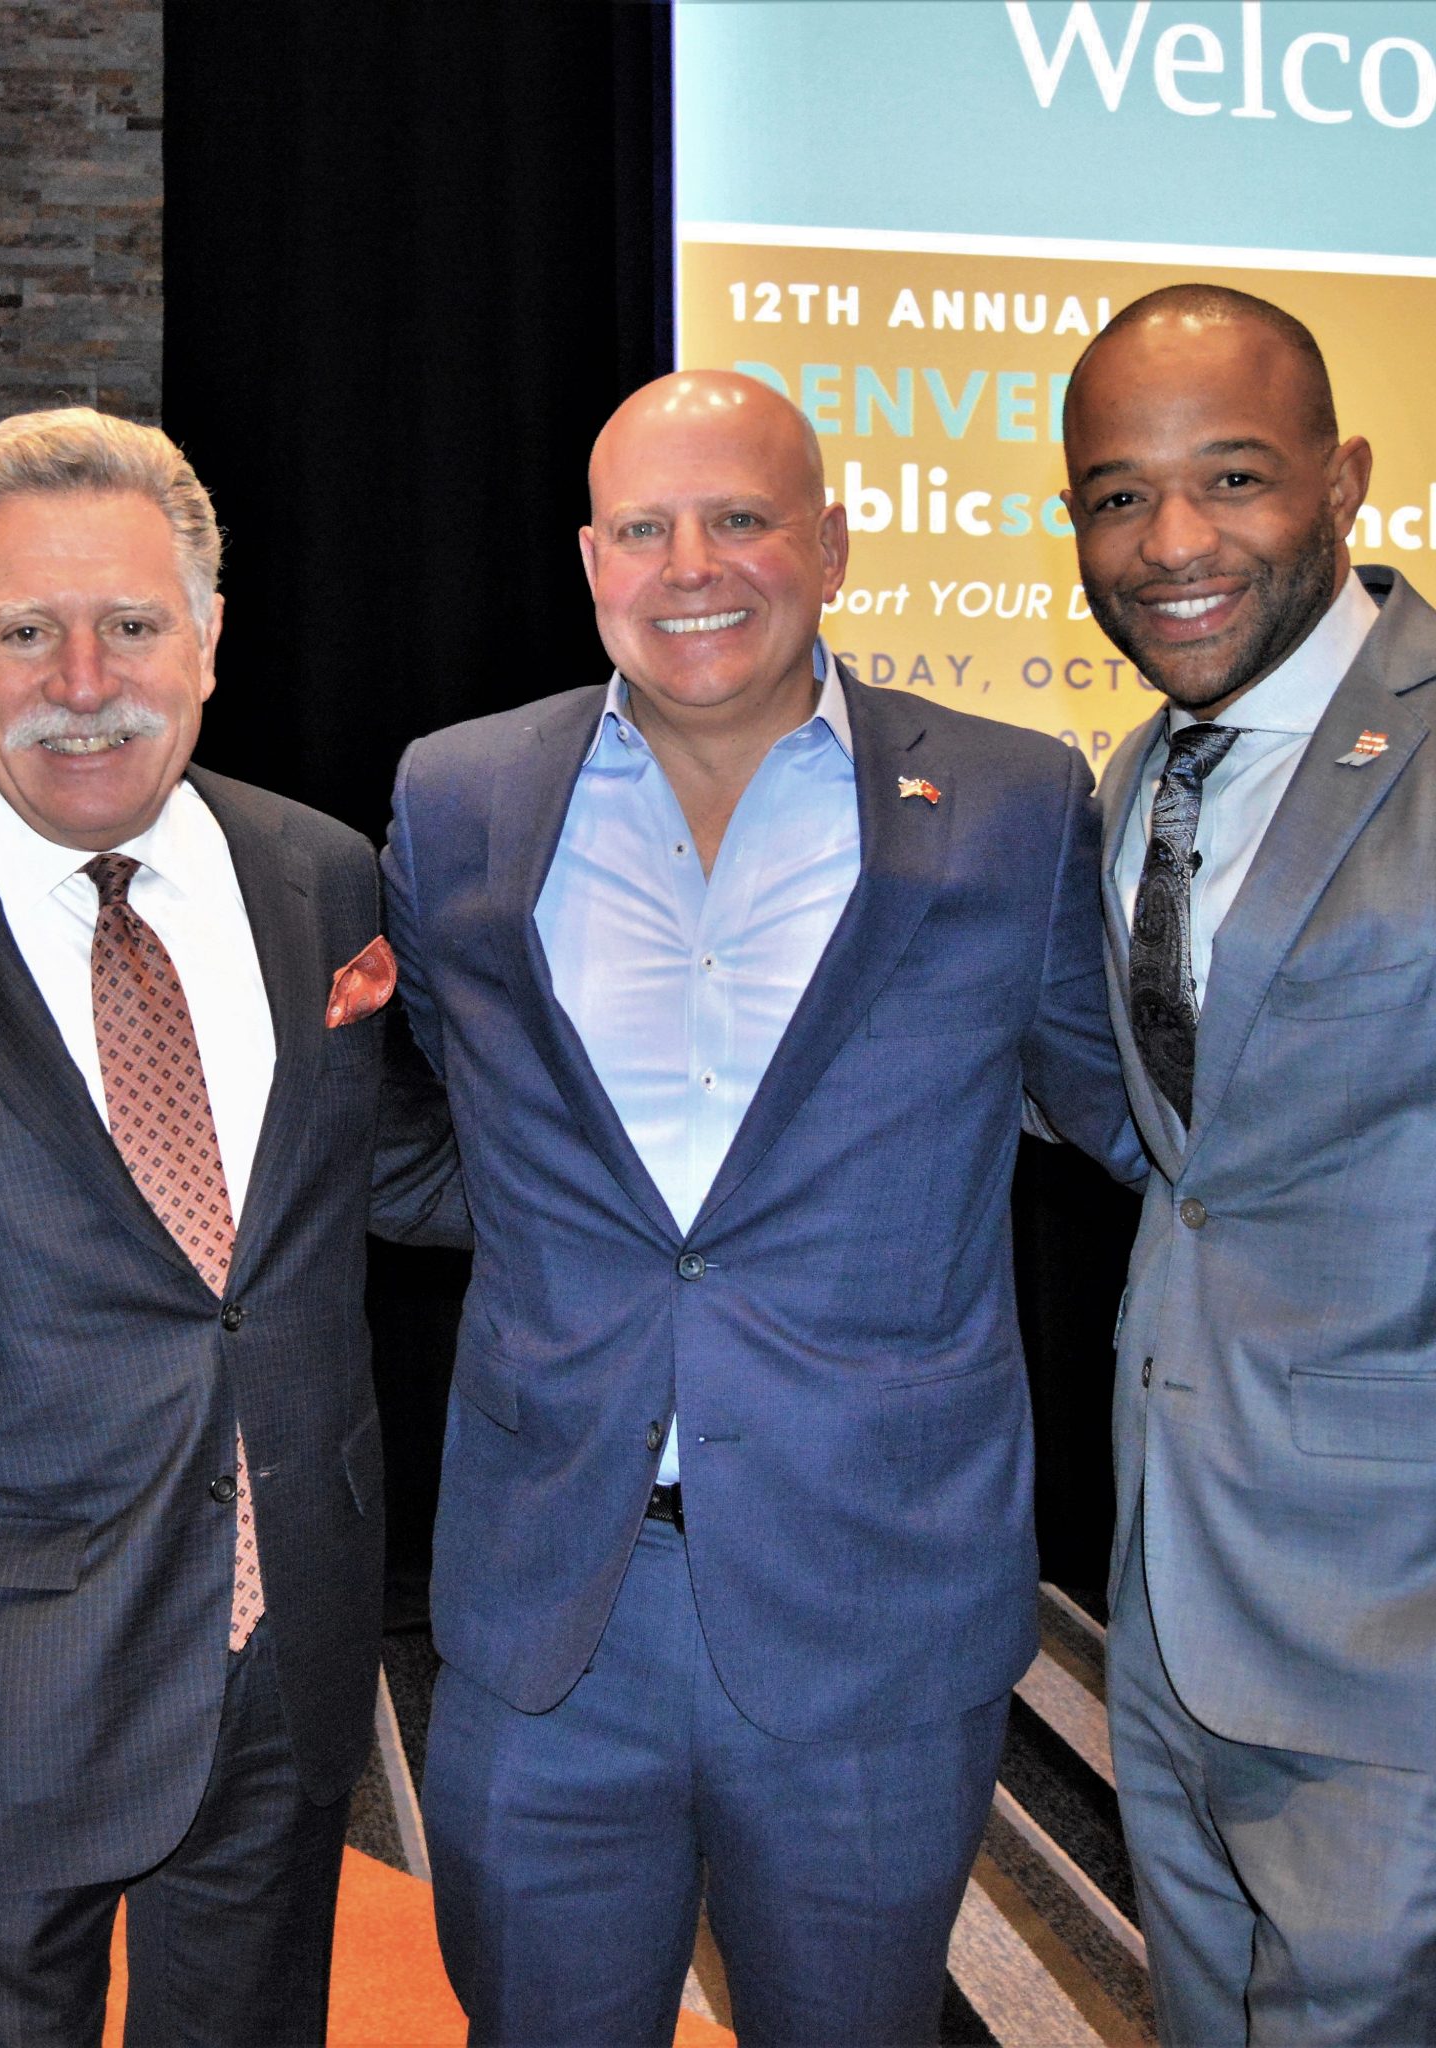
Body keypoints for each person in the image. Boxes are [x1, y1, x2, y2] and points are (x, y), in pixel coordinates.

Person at [381, 368, 1141, 2047]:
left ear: (836, 544)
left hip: (875, 1600)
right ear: (592, 562)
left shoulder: (1015, 806)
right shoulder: (457, 800)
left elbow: (1132, 1121)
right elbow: (464, 1119)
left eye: (740, 518)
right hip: (552, 1604)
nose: (691, 564)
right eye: (644, 529)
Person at [0, 406, 461, 2047]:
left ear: (210, 640)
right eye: (25, 631)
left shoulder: (329, 877)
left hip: (284, 1648)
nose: (84, 678)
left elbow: (407, 1171)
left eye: (134, 624)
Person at [1063, 283, 1436, 2045]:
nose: (1173, 543)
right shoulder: (1141, 768)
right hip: (1171, 1598)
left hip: (1398, 1622)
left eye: (1233, 478)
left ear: (1345, 479)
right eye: (1118, 497)